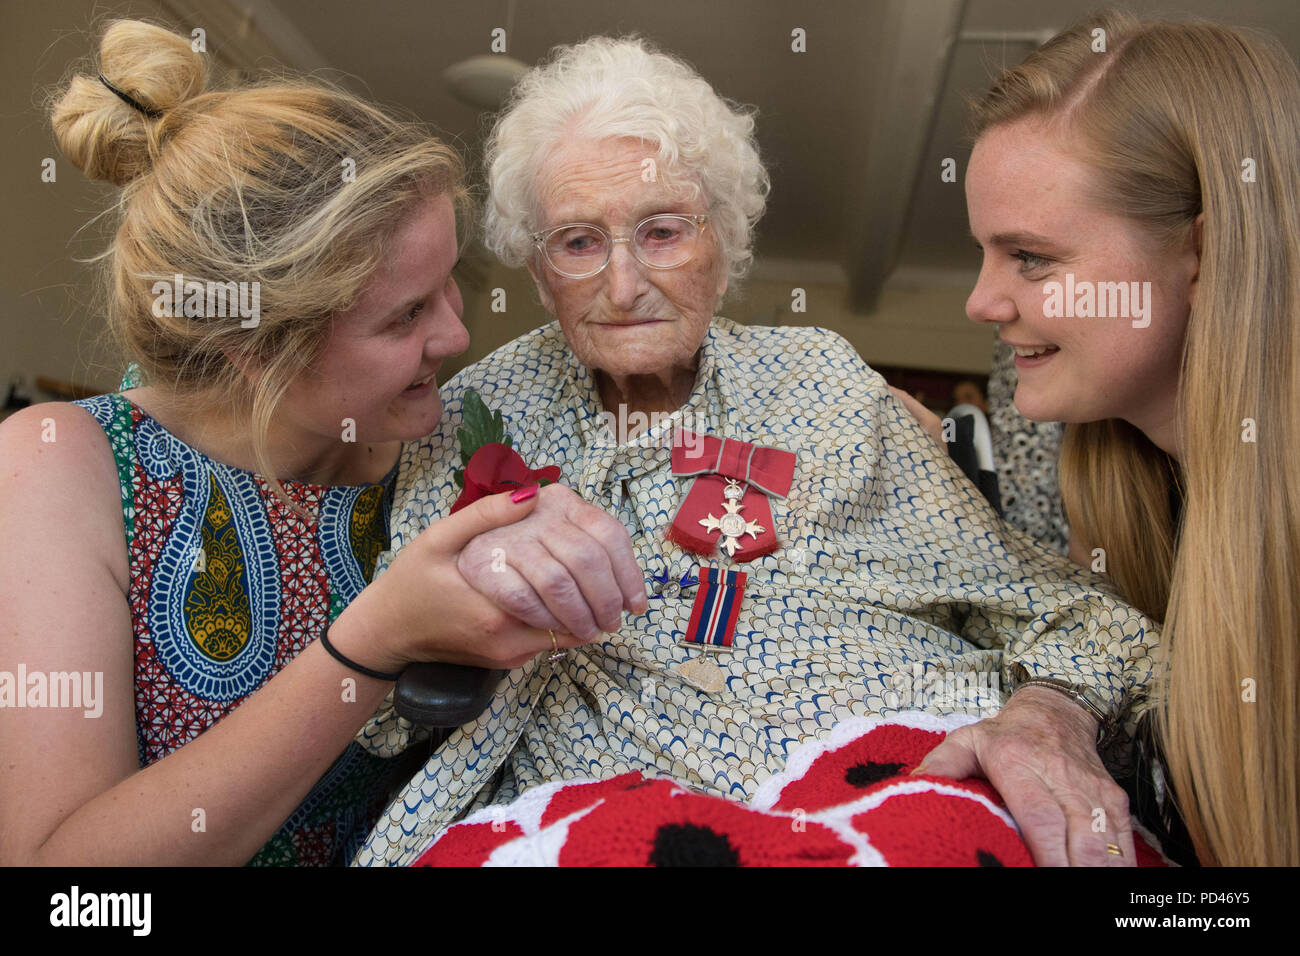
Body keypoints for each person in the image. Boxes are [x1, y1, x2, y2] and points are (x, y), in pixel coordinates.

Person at [354, 35, 1163, 867]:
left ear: (724, 239)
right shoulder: (472, 415)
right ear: (537, 265)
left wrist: (1046, 719)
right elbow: (389, 708)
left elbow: (1077, 617)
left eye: (663, 232)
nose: (623, 285)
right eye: (579, 243)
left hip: (875, 786)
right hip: (595, 814)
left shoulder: (820, 384)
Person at [0, 19, 643, 866]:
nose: (455, 336)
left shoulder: (445, 449)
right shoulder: (57, 465)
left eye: (448, 282)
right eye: (405, 314)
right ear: (254, 347)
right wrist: (371, 644)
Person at [910, 11, 1298, 866]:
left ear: (1203, 252)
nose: (982, 302)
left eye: (1032, 258)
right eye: (984, 253)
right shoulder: (1128, 495)